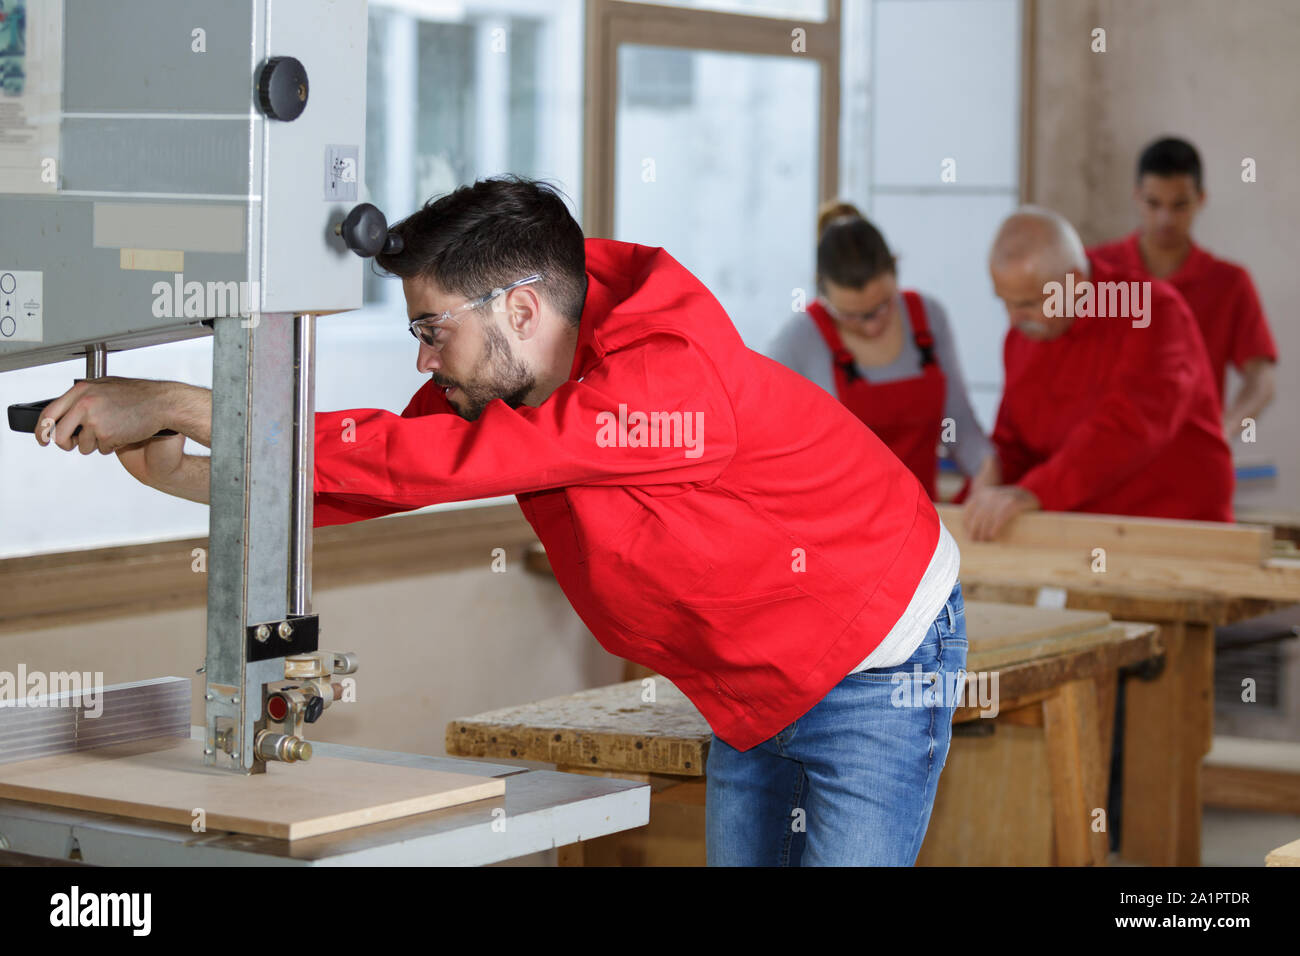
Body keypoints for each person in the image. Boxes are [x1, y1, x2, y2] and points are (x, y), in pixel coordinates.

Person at [33, 176, 967, 866]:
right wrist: (187, 474)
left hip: (873, 659)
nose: (424, 360)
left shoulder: (660, 380)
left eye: (431, 331)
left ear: (519, 306)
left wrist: (181, 399)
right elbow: (388, 468)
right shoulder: (531, 358)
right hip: (752, 676)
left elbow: (427, 463)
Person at [964, 206, 1234, 541]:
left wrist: (1035, 492)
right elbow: (1014, 439)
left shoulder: (1151, 312)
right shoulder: (1023, 338)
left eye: (1028, 304)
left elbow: (1128, 427)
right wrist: (989, 480)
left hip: (1176, 538)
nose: (1013, 320)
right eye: (1003, 302)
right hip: (1082, 541)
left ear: (1074, 284)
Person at [765, 201, 995, 499]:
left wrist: (986, 474)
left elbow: (958, 423)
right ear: (822, 295)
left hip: (922, 523)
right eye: (852, 316)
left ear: (896, 271)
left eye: (883, 306)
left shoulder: (929, 318)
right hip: (836, 528)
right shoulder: (796, 342)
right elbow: (767, 450)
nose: (872, 326)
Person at [1089, 137, 1277, 435]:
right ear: (1136, 197)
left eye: (1179, 205)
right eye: (1153, 204)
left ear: (1200, 199)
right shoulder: (1096, 271)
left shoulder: (1229, 283)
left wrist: (1226, 429)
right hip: (1104, 452)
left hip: (1191, 456)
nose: (1166, 218)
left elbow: (1261, 379)